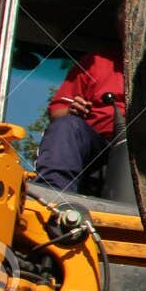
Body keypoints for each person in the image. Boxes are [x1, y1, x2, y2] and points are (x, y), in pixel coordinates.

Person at [34, 49, 124, 193]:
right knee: (67, 125)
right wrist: (72, 111)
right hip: (99, 147)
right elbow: (57, 111)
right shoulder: (96, 63)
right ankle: (54, 195)